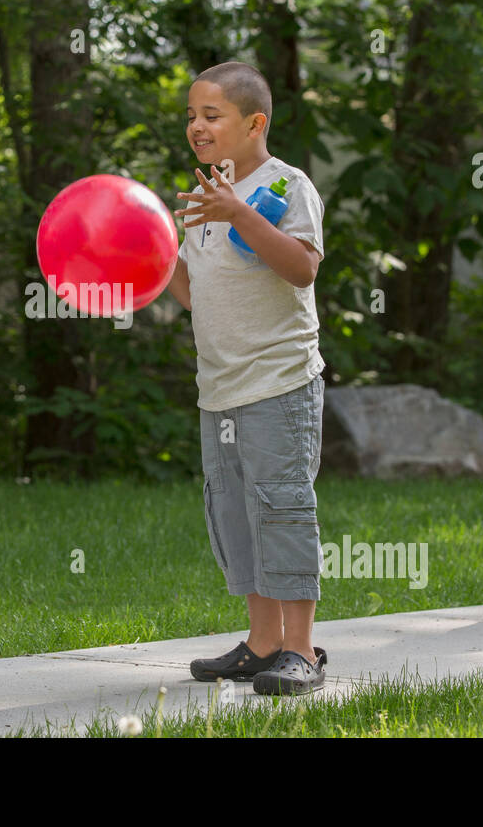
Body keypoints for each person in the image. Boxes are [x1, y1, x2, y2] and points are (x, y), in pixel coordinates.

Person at [167, 61, 329, 696]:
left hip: (280, 384)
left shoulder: (288, 187)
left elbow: (301, 269)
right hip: (221, 389)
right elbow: (194, 293)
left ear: (254, 122)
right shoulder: (207, 195)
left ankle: (302, 650)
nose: (196, 127)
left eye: (211, 116)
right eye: (190, 116)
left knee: (282, 509)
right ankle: (262, 645)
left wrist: (239, 214)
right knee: (235, 513)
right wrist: (146, 256)